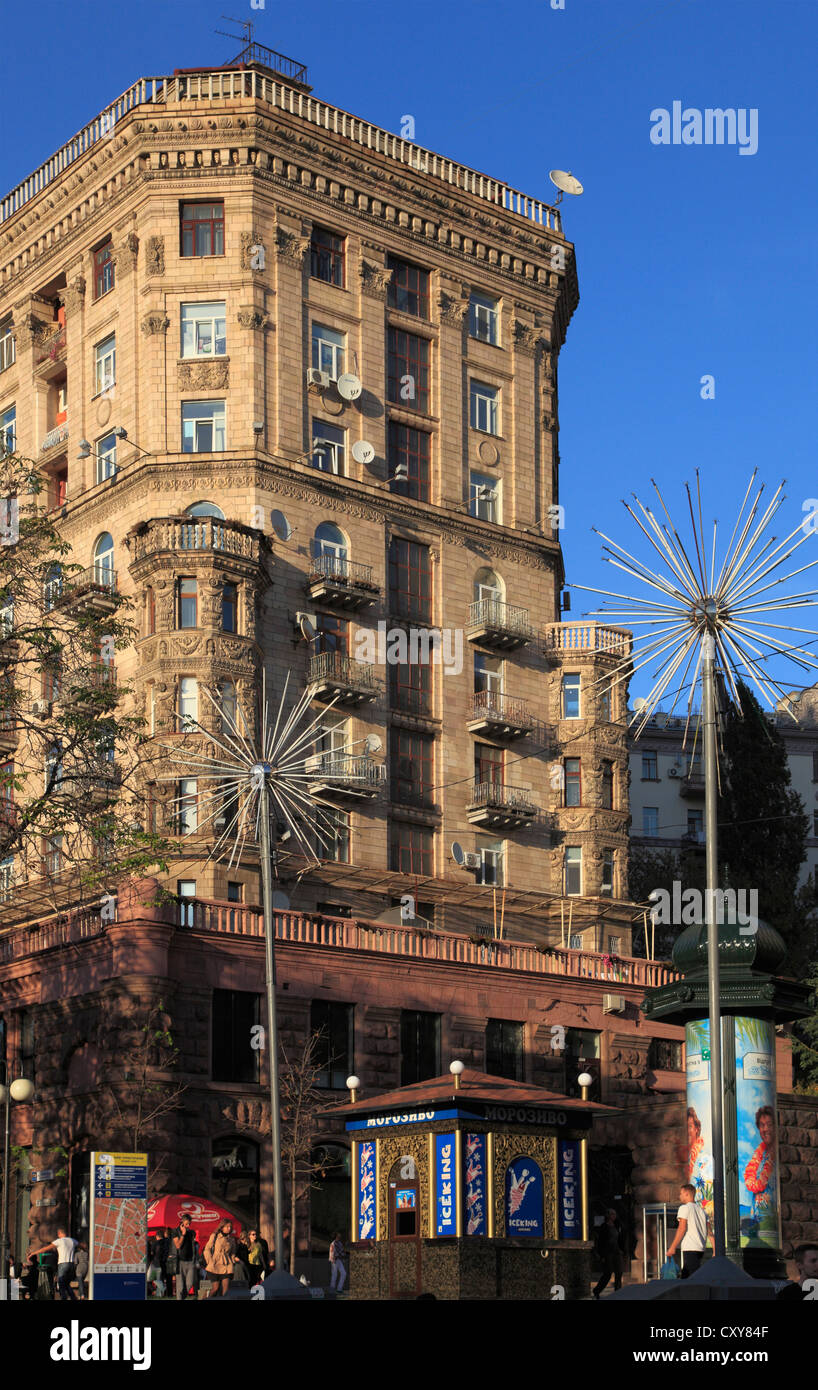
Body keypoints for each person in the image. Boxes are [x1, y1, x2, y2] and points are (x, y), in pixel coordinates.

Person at [28, 1227, 85, 1302]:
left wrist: (33, 1253)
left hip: (63, 1264)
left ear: (59, 1234)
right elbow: (82, 1246)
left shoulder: (59, 1241)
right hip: (71, 1265)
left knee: (60, 1282)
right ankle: (73, 1297)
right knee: (66, 1283)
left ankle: (63, 1298)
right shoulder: (72, 1240)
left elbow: (45, 1249)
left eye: (58, 1234)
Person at [667, 1183, 708, 1278]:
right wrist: (714, 1249)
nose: (679, 1196)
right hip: (700, 1248)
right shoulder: (701, 1210)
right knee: (687, 1274)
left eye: (681, 1193)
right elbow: (709, 1231)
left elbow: (682, 1228)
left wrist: (673, 1247)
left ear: (687, 1194)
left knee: (692, 1276)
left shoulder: (684, 1208)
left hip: (690, 1247)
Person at [744, 1105, 777, 1217]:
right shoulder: (760, 1153)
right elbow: (751, 1177)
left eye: (769, 1125)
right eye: (762, 1125)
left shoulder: (776, 1152)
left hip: (770, 1214)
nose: (765, 1129)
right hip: (757, 1213)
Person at [592, 1209, 625, 1298]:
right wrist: (602, 1255)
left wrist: (622, 1249)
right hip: (608, 1253)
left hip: (617, 1252)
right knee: (608, 1273)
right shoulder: (604, 1227)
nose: (614, 1216)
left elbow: (620, 1239)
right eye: (612, 1214)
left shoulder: (617, 1225)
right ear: (608, 1215)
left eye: (615, 1214)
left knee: (619, 1272)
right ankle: (597, 1290)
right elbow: (601, 1242)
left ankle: (618, 1292)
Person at [203, 1219, 240, 1298]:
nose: (229, 1228)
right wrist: (210, 1261)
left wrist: (233, 1260)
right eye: (227, 1226)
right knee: (215, 1288)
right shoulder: (215, 1236)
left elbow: (233, 1252)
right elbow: (207, 1249)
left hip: (227, 1266)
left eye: (230, 1227)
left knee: (226, 1290)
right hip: (214, 1265)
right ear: (222, 1227)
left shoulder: (232, 1239)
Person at [172, 1214, 198, 1300]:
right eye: (187, 1224)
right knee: (180, 1286)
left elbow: (193, 1247)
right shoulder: (175, 1231)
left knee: (189, 1284)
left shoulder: (190, 1233)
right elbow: (178, 1245)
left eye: (189, 1223)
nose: (188, 1226)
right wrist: (183, 1234)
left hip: (190, 1261)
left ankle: (181, 1298)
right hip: (180, 1262)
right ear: (182, 1222)